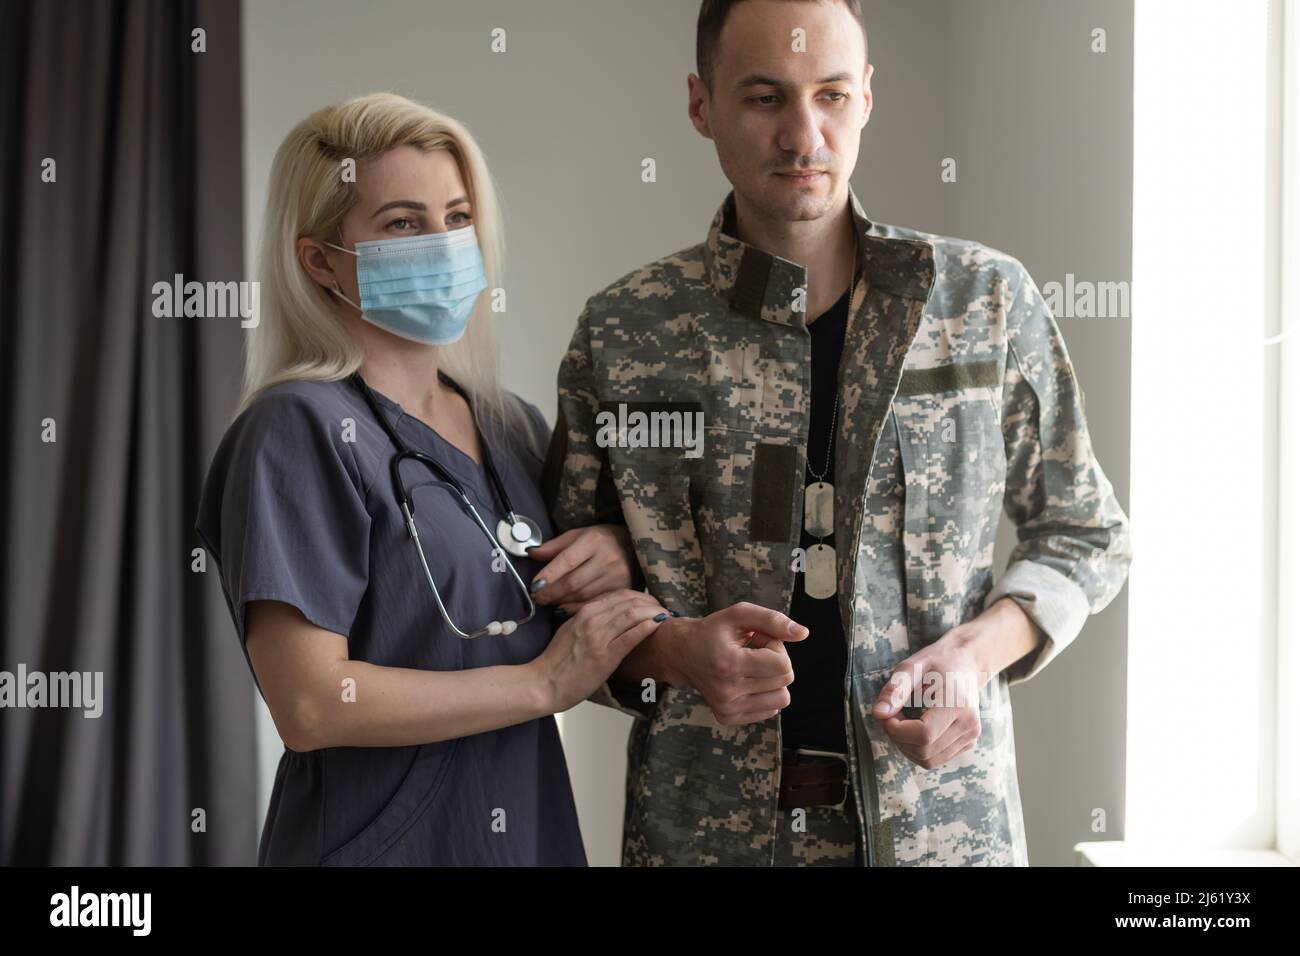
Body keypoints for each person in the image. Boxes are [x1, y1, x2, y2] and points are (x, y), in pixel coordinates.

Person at [543, 0, 1132, 866]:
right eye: (764, 98)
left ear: (866, 96)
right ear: (701, 105)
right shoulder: (625, 333)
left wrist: (974, 653)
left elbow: (1088, 535)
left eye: (830, 94)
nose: (803, 135)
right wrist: (672, 648)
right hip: (702, 836)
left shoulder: (984, 303)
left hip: (940, 831)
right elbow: (566, 594)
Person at [195, 92, 664, 866]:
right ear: (319, 260)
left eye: (456, 217)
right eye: (402, 224)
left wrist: (615, 548)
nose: (443, 245)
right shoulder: (296, 430)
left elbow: (581, 616)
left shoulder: (511, 428)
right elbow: (310, 703)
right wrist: (542, 685)